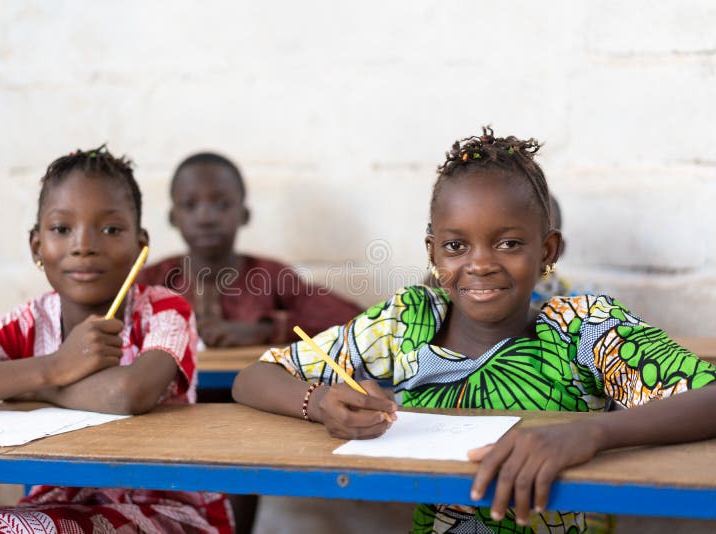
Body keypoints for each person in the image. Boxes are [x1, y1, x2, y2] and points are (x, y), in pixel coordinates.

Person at [232, 128, 716, 533]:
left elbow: (708, 396)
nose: (480, 265)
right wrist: (317, 402)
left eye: (508, 243)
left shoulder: (581, 329)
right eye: (456, 246)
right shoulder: (407, 323)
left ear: (547, 250)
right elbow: (252, 378)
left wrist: (589, 433)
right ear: (432, 250)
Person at [0, 147, 232, 534]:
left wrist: (31, 390)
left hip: (166, 509)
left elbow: (126, 395)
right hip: (56, 506)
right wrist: (51, 367)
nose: (84, 246)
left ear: (140, 246)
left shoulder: (164, 310)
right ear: (37, 247)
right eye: (62, 229)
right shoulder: (28, 322)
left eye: (111, 230)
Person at [137, 152, 362, 348]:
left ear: (244, 214)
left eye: (223, 204)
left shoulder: (271, 276)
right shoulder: (154, 280)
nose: (206, 218)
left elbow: (354, 321)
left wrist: (266, 330)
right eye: (189, 205)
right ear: (173, 217)